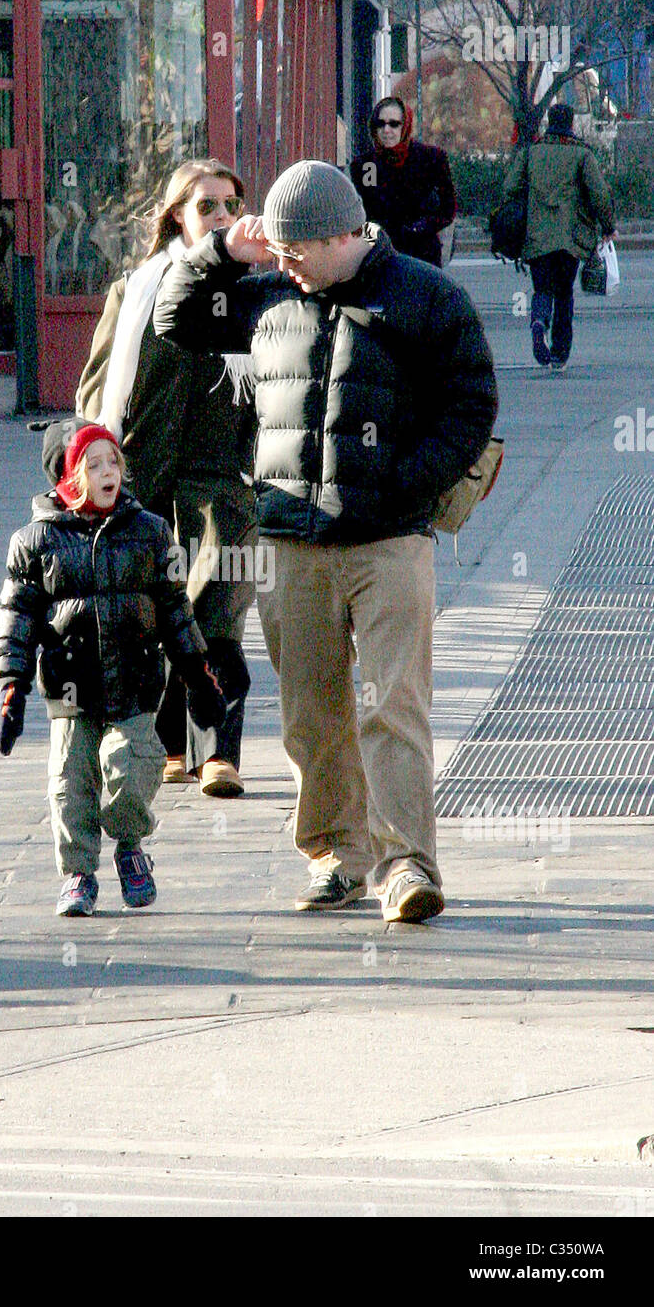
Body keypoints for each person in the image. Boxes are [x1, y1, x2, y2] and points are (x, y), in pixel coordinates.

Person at [154, 160, 497, 922]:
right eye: (276, 250)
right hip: (289, 540)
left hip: (388, 542)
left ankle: (406, 866)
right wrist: (218, 253)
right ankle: (335, 854)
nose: (286, 263)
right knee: (312, 710)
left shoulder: (424, 295)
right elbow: (173, 319)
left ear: (343, 233)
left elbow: (471, 402)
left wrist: (405, 483)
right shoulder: (270, 292)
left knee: (392, 705)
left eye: (296, 250)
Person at [0, 421, 226, 918]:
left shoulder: (149, 531)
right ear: (69, 477)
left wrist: (198, 674)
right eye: (93, 464)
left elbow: (174, 609)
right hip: (71, 690)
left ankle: (129, 846)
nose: (107, 472)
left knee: (132, 767)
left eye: (113, 462)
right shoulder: (37, 541)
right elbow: (18, 616)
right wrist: (13, 687)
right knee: (70, 784)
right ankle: (79, 875)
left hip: (136, 685)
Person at [78, 159, 258, 798]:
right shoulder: (134, 292)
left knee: (220, 615)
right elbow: (98, 390)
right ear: (176, 215)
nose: (222, 216)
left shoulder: (252, 295)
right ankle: (170, 742)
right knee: (153, 616)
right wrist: (93, 465)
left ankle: (220, 752)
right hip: (145, 482)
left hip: (225, 483)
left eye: (231, 205)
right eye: (206, 205)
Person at [499, 102, 616, 371]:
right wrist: (608, 225)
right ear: (572, 124)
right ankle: (559, 354)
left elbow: (510, 188)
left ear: (548, 122)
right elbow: (599, 194)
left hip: (537, 237)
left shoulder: (531, 153)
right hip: (570, 239)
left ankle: (539, 322)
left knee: (543, 289)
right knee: (564, 293)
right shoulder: (582, 155)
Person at [349, 97, 457, 267]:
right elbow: (364, 211)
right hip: (380, 257)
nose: (386, 130)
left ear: (405, 125)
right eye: (381, 124)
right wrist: (372, 244)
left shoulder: (432, 159)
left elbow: (448, 209)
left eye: (394, 124)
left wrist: (420, 228)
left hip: (422, 255)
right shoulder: (365, 164)